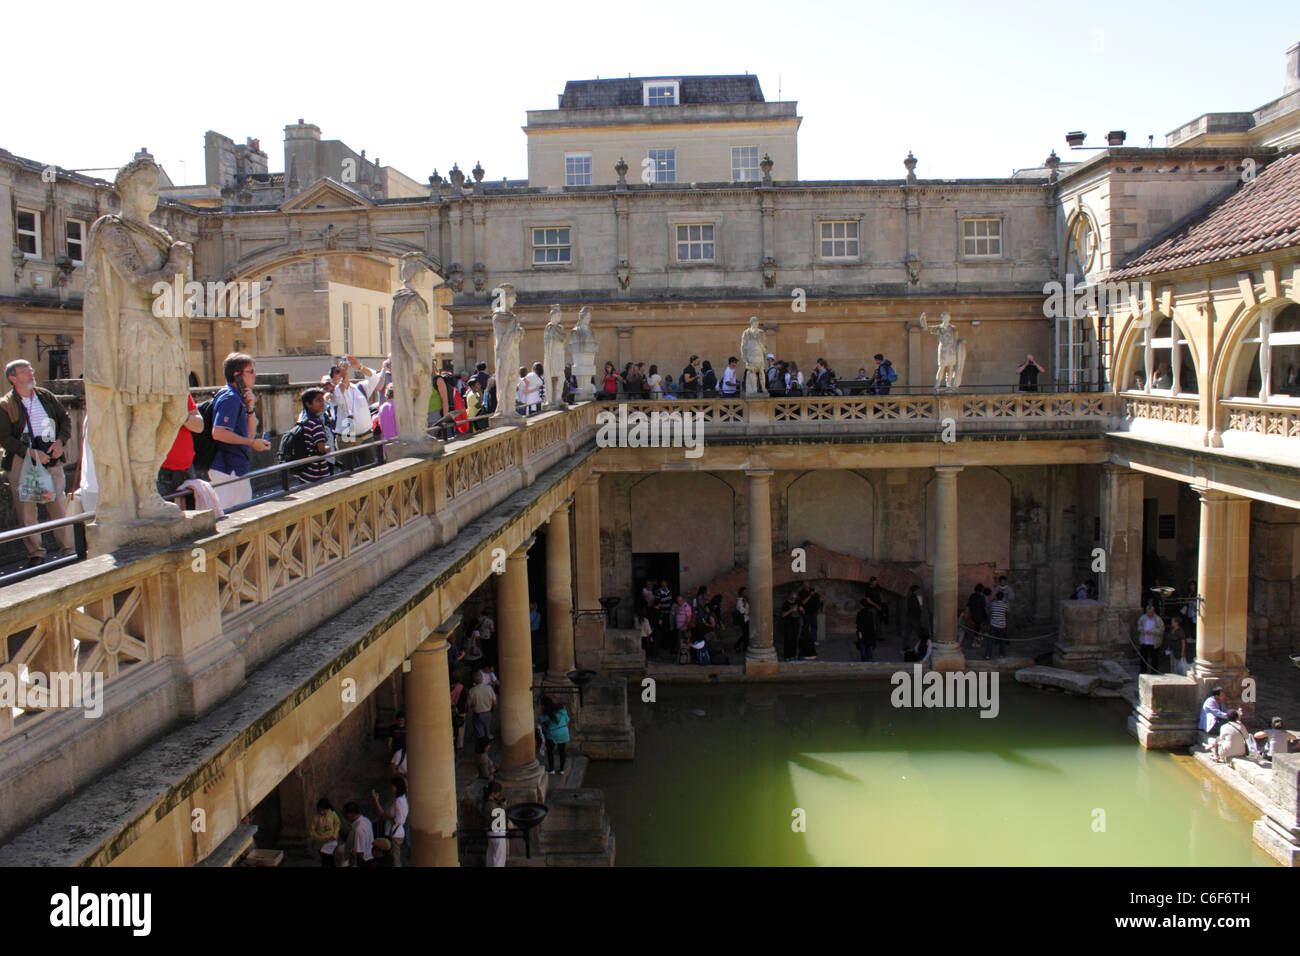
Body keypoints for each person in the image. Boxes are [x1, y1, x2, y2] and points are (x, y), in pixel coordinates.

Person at [1, 360, 76, 566]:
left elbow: (65, 419)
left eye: (30, 370)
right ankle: (36, 554)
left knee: (58, 504)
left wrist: (61, 441)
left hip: (50, 454)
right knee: (26, 508)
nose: (31, 374)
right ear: (13, 378)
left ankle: (68, 550)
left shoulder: (46, 396)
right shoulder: (6, 404)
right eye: (25, 372)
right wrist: (31, 453)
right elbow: (5, 438)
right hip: (22, 458)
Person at [210, 353, 271, 510]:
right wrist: (251, 443)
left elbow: (250, 434)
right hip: (227, 469)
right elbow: (218, 432)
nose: (255, 374)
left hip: (237, 468)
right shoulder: (230, 398)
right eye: (250, 371)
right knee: (233, 516)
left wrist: (250, 408)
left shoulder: (238, 398)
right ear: (237, 376)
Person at [327, 355, 382, 469]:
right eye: (337, 372)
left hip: (365, 434)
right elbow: (338, 397)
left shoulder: (360, 388)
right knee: (348, 471)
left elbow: (374, 378)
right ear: (332, 379)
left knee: (369, 469)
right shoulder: (333, 392)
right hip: (346, 435)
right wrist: (345, 376)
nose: (341, 372)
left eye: (341, 370)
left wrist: (359, 366)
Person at [157, 392, 204, 507]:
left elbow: (199, 426)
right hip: (161, 471)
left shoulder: (181, 392)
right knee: (166, 520)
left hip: (186, 469)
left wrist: (182, 416)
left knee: (195, 516)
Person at [296, 387, 333, 484]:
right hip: (317, 472)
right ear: (308, 404)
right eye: (318, 400)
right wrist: (328, 449)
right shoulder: (315, 423)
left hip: (305, 472)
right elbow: (321, 449)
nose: (322, 403)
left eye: (322, 400)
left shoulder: (303, 420)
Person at [370, 777, 408, 867]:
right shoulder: (401, 799)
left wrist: (388, 816)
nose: (391, 788)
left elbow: (398, 819)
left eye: (392, 786)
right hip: (395, 832)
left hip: (395, 832)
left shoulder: (399, 801)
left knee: (395, 859)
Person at [539, 696, 571, 774]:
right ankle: (562, 770)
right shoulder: (562, 709)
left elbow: (540, 720)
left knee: (550, 751)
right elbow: (567, 719)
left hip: (553, 733)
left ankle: (552, 770)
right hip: (564, 731)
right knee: (562, 751)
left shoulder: (548, 713)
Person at [466, 670, 497, 743]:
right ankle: (488, 744)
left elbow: (468, 704)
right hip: (488, 713)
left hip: (477, 714)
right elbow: (495, 702)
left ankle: (482, 747)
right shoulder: (489, 688)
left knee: (480, 733)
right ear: (482, 679)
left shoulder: (472, 691)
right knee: (487, 729)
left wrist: (468, 709)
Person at [310, 798, 341, 867]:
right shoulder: (316, 817)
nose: (322, 812)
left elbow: (337, 824)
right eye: (320, 810)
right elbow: (312, 832)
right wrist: (322, 838)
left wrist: (335, 834)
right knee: (325, 861)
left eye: (323, 810)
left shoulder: (332, 814)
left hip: (331, 843)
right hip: (321, 844)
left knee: (332, 860)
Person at [342, 801, 374, 867]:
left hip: (363, 862)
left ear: (350, 814)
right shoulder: (366, 820)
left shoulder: (359, 829)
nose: (344, 816)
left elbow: (360, 853)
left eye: (345, 814)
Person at [484, 780, 508, 867]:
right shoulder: (490, 805)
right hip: (497, 832)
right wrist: (503, 806)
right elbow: (499, 816)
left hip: (492, 832)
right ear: (493, 793)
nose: (499, 795)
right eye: (497, 793)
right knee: (499, 858)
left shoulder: (489, 803)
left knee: (491, 855)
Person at [1137, 604, 1163, 673]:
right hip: (1144, 641)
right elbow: (1139, 626)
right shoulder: (1143, 618)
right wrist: (1142, 630)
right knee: (1143, 657)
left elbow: (1161, 629)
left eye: (1151, 612)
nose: (1150, 614)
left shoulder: (1158, 619)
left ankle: (1154, 671)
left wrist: (1152, 631)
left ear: (1153, 612)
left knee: (1154, 658)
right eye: (1148, 612)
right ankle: (1143, 671)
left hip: (1154, 642)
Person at [985, 588, 1009, 660]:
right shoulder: (1005, 605)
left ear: (996, 597)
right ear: (1002, 597)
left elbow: (990, 612)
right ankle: (1001, 655)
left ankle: (988, 655)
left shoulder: (993, 604)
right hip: (1002, 625)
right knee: (1002, 640)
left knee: (990, 640)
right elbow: (1007, 613)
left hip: (993, 624)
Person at [905, 584, 926, 654]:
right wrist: (921, 604)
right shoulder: (916, 598)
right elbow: (919, 608)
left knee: (908, 632)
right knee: (919, 633)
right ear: (916, 591)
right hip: (914, 618)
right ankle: (921, 647)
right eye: (918, 590)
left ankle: (906, 646)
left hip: (910, 617)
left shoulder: (911, 597)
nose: (919, 591)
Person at [780, 593, 802, 661]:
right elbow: (783, 615)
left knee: (794, 640)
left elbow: (802, 611)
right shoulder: (785, 604)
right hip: (788, 624)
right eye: (793, 597)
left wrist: (802, 610)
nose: (794, 599)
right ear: (790, 596)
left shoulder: (797, 602)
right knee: (788, 640)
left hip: (796, 623)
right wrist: (791, 610)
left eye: (795, 597)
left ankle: (793, 655)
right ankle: (786, 656)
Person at [855, 596, 877, 661]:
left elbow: (859, 624)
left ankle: (865, 658)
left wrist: (859, 632)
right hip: (869, 632)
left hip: (863, 632)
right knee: (868, 645)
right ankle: (869, 658)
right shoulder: (870, 613)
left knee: (863, 645)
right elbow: (872, 624)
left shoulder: (860, 613)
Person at [733, 586, 750, 653]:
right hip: (743, 620)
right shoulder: (740, 601)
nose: (747, 592)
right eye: (745, 591)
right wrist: (745, 604)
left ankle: (740, 645)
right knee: (746, 634)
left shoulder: (744, 599)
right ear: (742, 592)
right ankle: (742, 646)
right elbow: (742, 611)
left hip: (747, 619)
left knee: (746, 634)